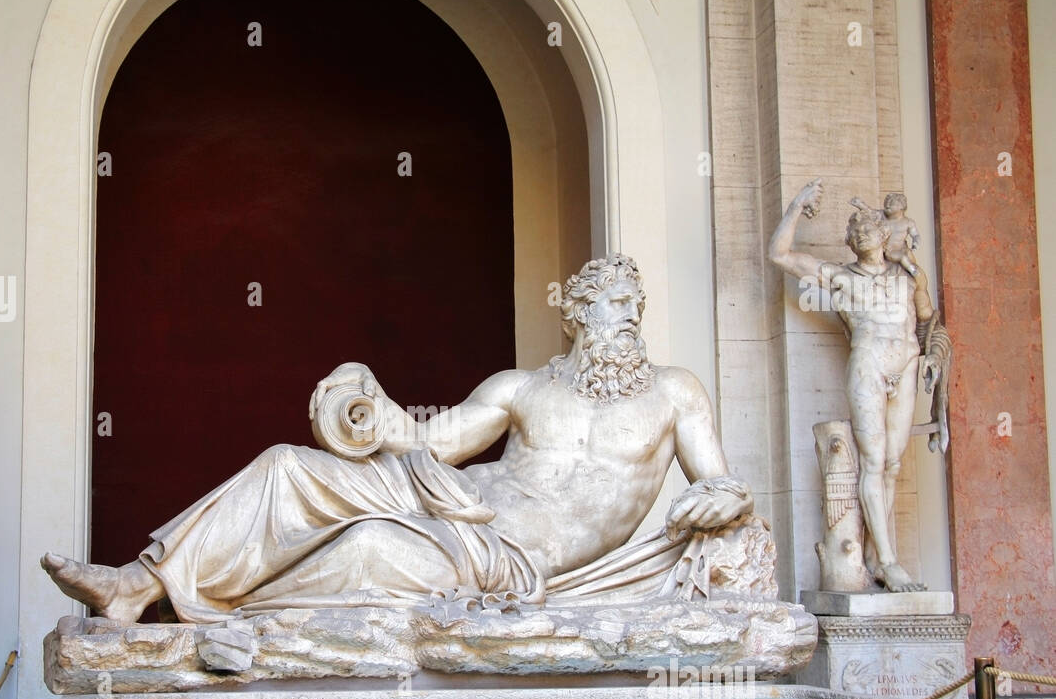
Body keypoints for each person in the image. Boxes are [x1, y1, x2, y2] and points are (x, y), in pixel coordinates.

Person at [41, 254, 753, 623]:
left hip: (503, 554)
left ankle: (220, 612)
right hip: (448, 496)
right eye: (613, 302)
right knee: (286, 466)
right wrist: (371, 413)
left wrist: (721, 501)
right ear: (574, 312)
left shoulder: (675, 389)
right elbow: (427, 443)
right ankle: (139, 585)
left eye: (636, 303)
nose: (629, 315)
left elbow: (721, 484)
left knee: (369, 547)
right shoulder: (520, 388)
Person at [769, 180, 945, 591]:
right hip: (868, 364)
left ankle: (875, 559)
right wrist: (796, 206)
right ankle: (888, 560)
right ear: (850, 242)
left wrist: (934, 354)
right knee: (873, 461)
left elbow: (928, 321)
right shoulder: (842, 278)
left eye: (870, 227)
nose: (863, 232)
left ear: (885, 235)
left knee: (893, 466)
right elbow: (779, 254)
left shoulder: (907, 279)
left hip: (906, 364)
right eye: (857, 230)